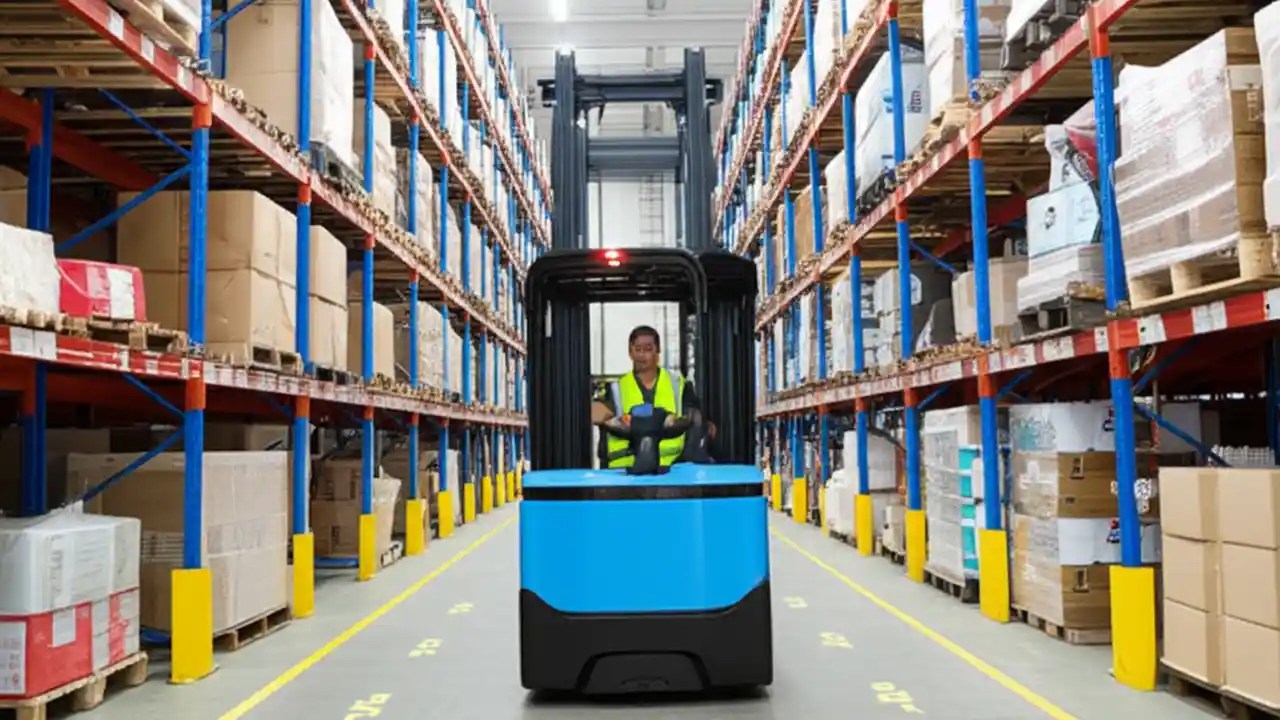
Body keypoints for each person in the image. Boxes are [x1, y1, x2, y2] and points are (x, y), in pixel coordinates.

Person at [591, 325, 713, 468]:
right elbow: (596, 413)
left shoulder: (679, 386)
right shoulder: (615, 388)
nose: (642, 355)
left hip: (672, 472)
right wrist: (604, 414)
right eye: (637, 349)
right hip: (622, 472)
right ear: (630, 352)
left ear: (658, 350)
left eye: (648, 349)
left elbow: (694, 420)